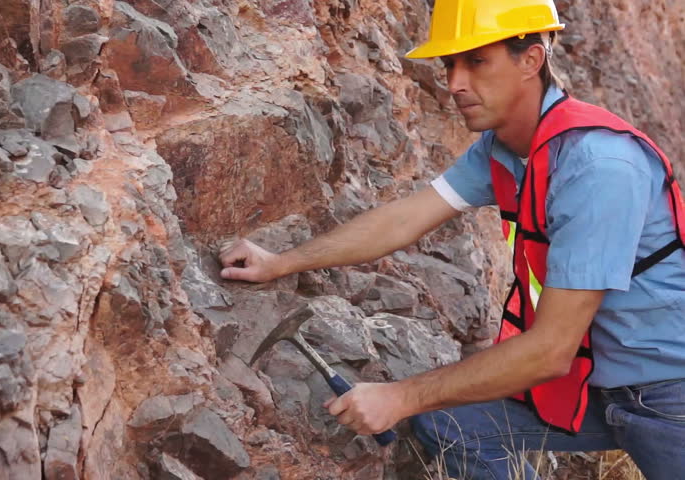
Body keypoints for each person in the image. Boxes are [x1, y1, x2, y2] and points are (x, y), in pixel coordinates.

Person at [217, 0, 685, 478]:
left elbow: (549, 350)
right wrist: (281, 263)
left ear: (531, 60)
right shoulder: (507, 148)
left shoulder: (600, 167)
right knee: (449, 419)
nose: (456, 82)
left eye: (477, 61)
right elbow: (404, 219)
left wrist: (399, 396)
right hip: (596, 383)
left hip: (669, 394)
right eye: (450, 64)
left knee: (425, 403)